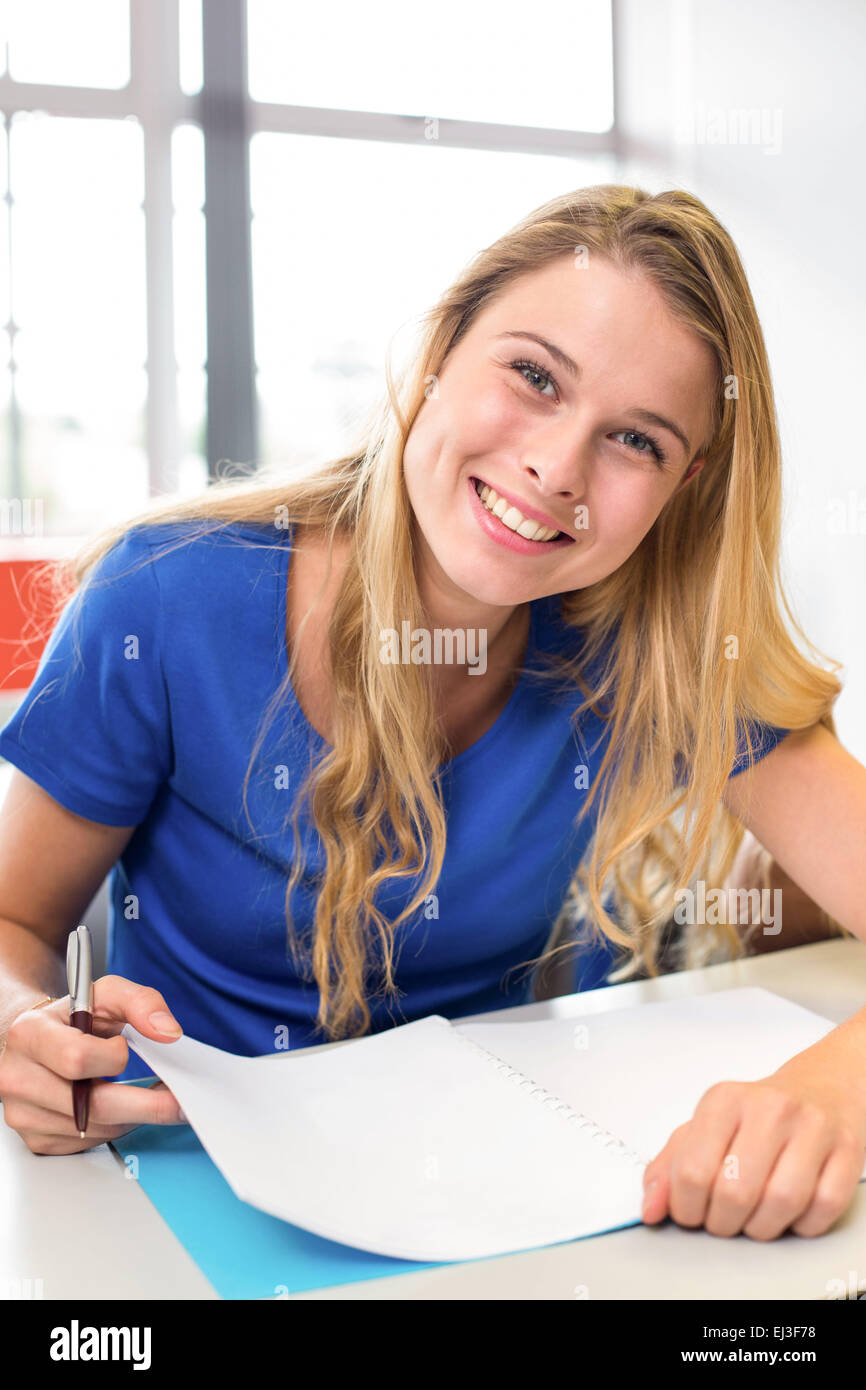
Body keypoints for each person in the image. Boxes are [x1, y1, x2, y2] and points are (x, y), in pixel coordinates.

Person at [0, 184, 863, 1244]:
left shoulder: (658, 645)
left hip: (546, 1205)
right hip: (183, 1186)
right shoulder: (163, 595)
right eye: (532, 375)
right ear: (437, 352)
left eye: (635, 440)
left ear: (683, 488)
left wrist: (835, 1092)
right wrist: (17, 1024)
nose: (555, 467)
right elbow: (14, 924)